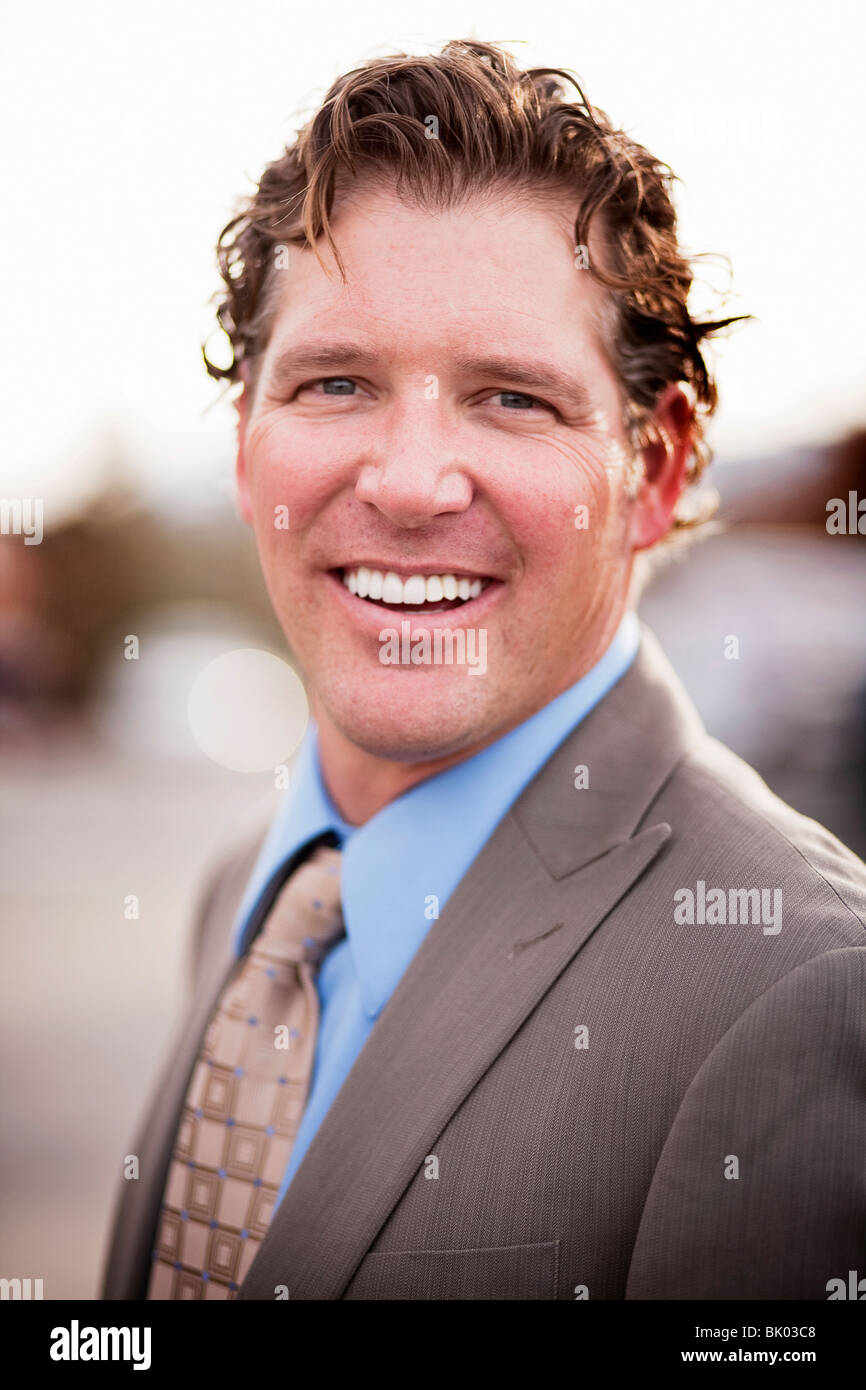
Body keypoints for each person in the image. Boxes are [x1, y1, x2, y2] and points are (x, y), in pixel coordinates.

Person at [101, 38, 866, 1301]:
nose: (407, 484)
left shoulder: (794, 990)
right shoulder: (253, 890)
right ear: (246, 448)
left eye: (512, 398)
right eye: (334, 381)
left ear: (656, 468)